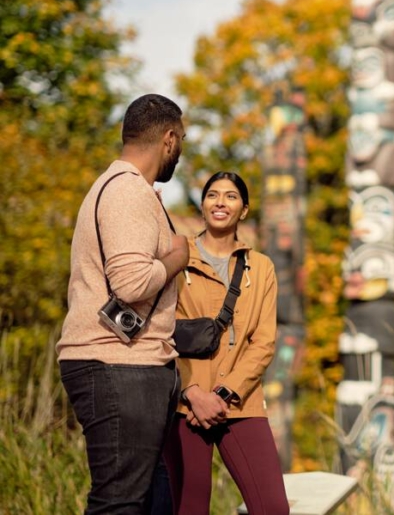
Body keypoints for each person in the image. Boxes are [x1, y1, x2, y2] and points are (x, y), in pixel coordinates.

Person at [57, 93, 191, 514]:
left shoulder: (131, 190)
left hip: (131, 367)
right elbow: (132, 284)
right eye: (182, 140)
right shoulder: (126, 191)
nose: (181, 150)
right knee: (120, 505)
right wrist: (177, 257)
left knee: (152, 501)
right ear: (169, 139)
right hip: (116, 367)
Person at [162, 171, 288, 515]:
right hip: (186, 405)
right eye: (212, 195)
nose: (221, 202)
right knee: (190, 507)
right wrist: (193, 392)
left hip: (240, 402)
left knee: (273, 507)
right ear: (202, 206)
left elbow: (263, 342)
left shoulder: (261, 268)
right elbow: (159, 331)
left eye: (231, 196)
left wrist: (223, 393)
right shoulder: (175, 256)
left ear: (243, 210)